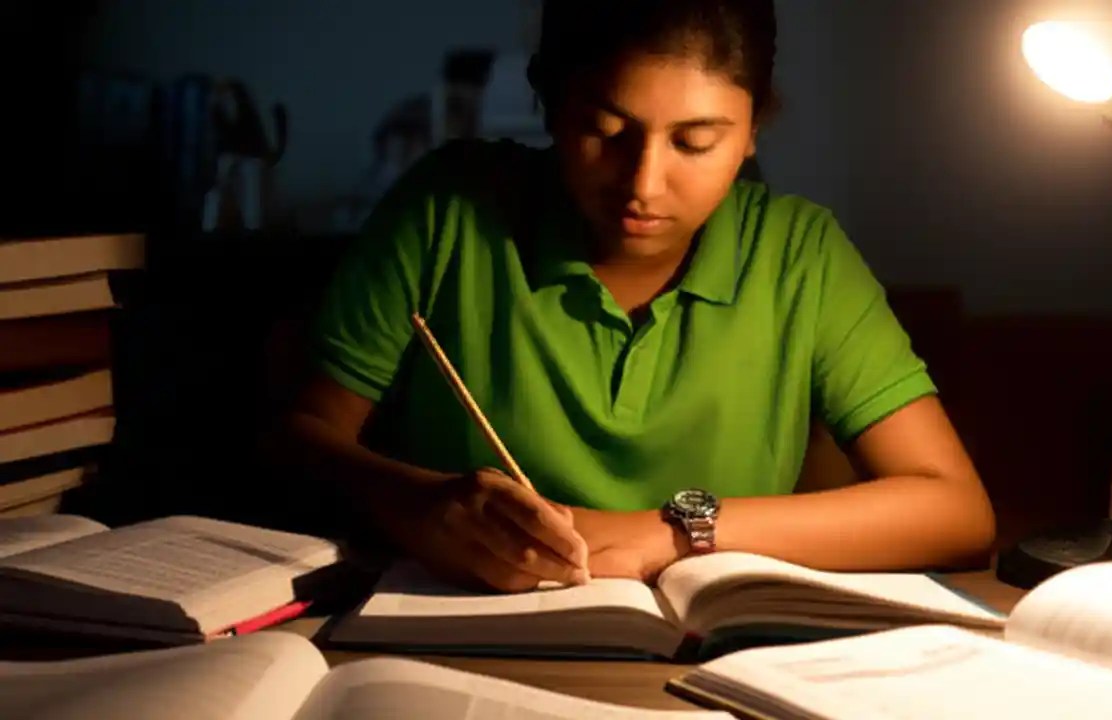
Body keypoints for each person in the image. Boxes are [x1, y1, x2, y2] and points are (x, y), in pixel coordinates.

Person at [280, 0, 996, 593]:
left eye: (695, 142)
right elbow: (299, 438)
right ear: (551, 104)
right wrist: (423, 506)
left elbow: (956, 510)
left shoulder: (797, 254)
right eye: (606, 131)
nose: (643, 185)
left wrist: (667, 533)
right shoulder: (449, 210)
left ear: (752, 131)